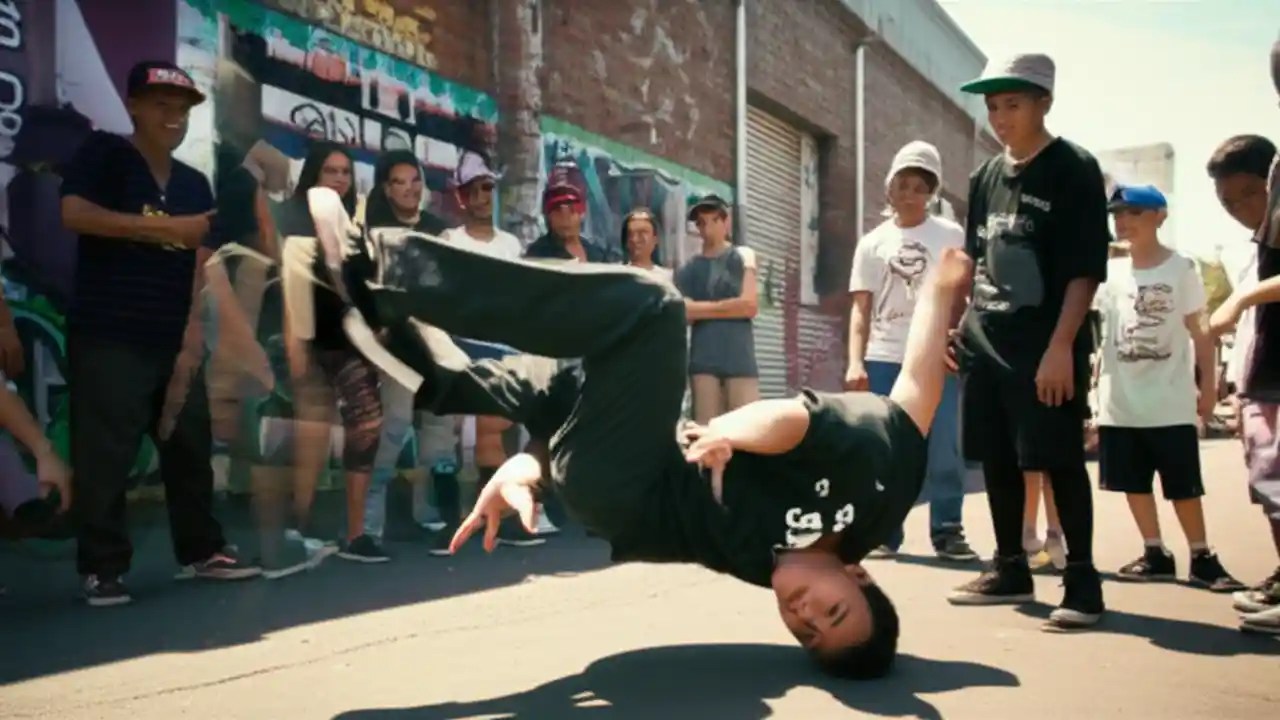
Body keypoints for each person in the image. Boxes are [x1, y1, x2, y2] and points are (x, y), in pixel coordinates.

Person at [322, 186, 974, 678]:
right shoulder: (878, 486)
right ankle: (421, 361)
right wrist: (943, 287)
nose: (803, 616)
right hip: (624, 463)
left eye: (804, 635)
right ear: (857, 575)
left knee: (652, 310)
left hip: (625, 491)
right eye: (830, 612)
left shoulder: (759, 555)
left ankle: (384, 274)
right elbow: (895, 397)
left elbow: (630, 478)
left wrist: (543, 473)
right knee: (567, 378)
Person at [60, 61, 260, 606]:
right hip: (108, 334)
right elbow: (73, 213)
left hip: (173, 341)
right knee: (106, 456)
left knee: (190, 447)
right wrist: (165, 229)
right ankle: (102, 568)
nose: (173, 118)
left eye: (182, 109)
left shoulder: (194, 183)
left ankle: (202, 552)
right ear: (133, 106)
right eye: (160, 105)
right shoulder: (105, 154)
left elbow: (200, 261)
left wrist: (194, 339)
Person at [945, 53, 1109, 630]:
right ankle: (1010, 567)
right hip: (985, 340)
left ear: (1045, 102)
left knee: (1058, 457)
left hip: (1046, 343)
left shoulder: (1074, 168)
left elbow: (1084, 270)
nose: (1000, 116)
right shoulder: (985, 177)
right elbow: (976, 258)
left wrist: (1062, 345)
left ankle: (1083, 583)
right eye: (992, 106)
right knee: (997, 458)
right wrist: (958, 323)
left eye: (1013, 103)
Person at [1094, 184, 1243, 591]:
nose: (1123, 222)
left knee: (1182, 483)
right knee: (1132, 481)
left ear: (1159, 216)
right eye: (1118, 214)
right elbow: (1104, 337)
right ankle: (1154, 551)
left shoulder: (1181, 269)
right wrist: (1095, 397)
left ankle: (1201, 555)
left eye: (1134, 213)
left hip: (1169, 400)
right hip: (1120, 401)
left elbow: (1202, 332)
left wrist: (1209, 388)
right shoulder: (1110, 272)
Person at [845, 141, 975, 562]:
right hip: (884, 355)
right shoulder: (872, 242)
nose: (910, 193)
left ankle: (948, 528)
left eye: (920, 186)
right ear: (889, 188)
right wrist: (854, 360)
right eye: (903, 184)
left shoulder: (951, 236)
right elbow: (860, 308)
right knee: (889, 447)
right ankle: (886, 529)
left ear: (932, 192)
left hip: (936, 353)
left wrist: (956, 336)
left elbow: (966, 294)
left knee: (943, 446)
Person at [278, 142, 387, 563]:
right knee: (313, 435)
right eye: (331, 171)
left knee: (367, 424)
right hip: (312, 338)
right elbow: (293, 287)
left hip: (351, 341)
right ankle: (295, 528)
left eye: (345, 171)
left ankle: (356, 535)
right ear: (314, 175)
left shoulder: (354, 225)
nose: (339, 179)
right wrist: (294, 346)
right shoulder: (297, 218)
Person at [1204, 127, 1280, 630]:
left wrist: (1240, 298)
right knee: (1269, 488)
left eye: (1249, 193)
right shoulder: (1253, 247)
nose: (1237, 206)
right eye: (1226, 199)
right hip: (1259, 380)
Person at [675, 194, 760, 425]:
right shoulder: (690, 269)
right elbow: (683, 312)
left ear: (725, 222)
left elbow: (749, 306)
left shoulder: (742, 256)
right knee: (706, 432)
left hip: (740, 358)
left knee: (747, 431)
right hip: (704, 360)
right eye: (701, 222)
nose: (706, 227)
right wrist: (730, 307)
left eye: (713, 220)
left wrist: (704, 309)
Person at [621, 208, 673, 282]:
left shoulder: (668, 278)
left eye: (642, 233)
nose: (635, 239)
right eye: (630, 234)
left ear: (655, 238)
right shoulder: (619, 276)